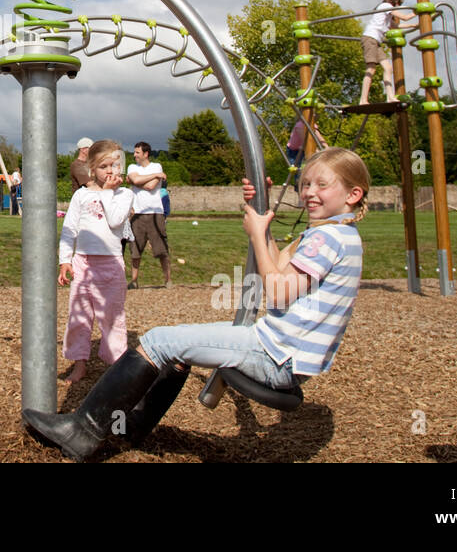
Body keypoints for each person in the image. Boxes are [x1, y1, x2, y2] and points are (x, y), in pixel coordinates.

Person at [23, 147, 368, 462]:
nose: (309, 192)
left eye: (322, 185)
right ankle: (131, 429)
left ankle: (82, 431)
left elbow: (277, 291)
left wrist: (255, 235)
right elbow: (279, 269)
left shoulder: (326, 238)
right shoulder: (340, 234)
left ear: (354, 194)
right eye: (306, 184)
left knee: (157, 340)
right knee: (173, 346)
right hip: (283, 351)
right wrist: (262, 226)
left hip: (275, 354)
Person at [58, 139, 133, 385]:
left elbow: (114, 220)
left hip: (110, 264)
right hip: (83, 263)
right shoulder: (82, 195)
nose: (110, 171)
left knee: (112, 317)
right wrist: (65, 260)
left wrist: (109, 191)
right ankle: (80, 365)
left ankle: (115, 367)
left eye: (114, 165)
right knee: (79, 317)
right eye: (104, 166)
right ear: (92, 168)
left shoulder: (124, 195)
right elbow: (69, 228)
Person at [126, 142, 170, 289]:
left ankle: (168, 280)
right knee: (135, 249)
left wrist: (135, 181)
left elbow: (150, 186)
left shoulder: (156, 166)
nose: (134, 155)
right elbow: (138, 180)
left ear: (146, 154)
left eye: (137, 152)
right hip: (137, 213)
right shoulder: (132, 167)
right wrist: (154, 177)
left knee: (161, 249)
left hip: (155, 213)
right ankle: (134, 280)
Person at [360, 0, 416, 105]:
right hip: (370, 38)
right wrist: (417, 12)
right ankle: (363, 100)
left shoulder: (387, 13)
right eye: (398, 3)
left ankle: (390, 97)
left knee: (388, 68)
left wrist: (413, 25)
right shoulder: (386, 6)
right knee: (371, 69)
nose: (398, 6)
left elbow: (396, 26)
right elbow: (404, 17)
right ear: (395, 0)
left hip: (376, 41)